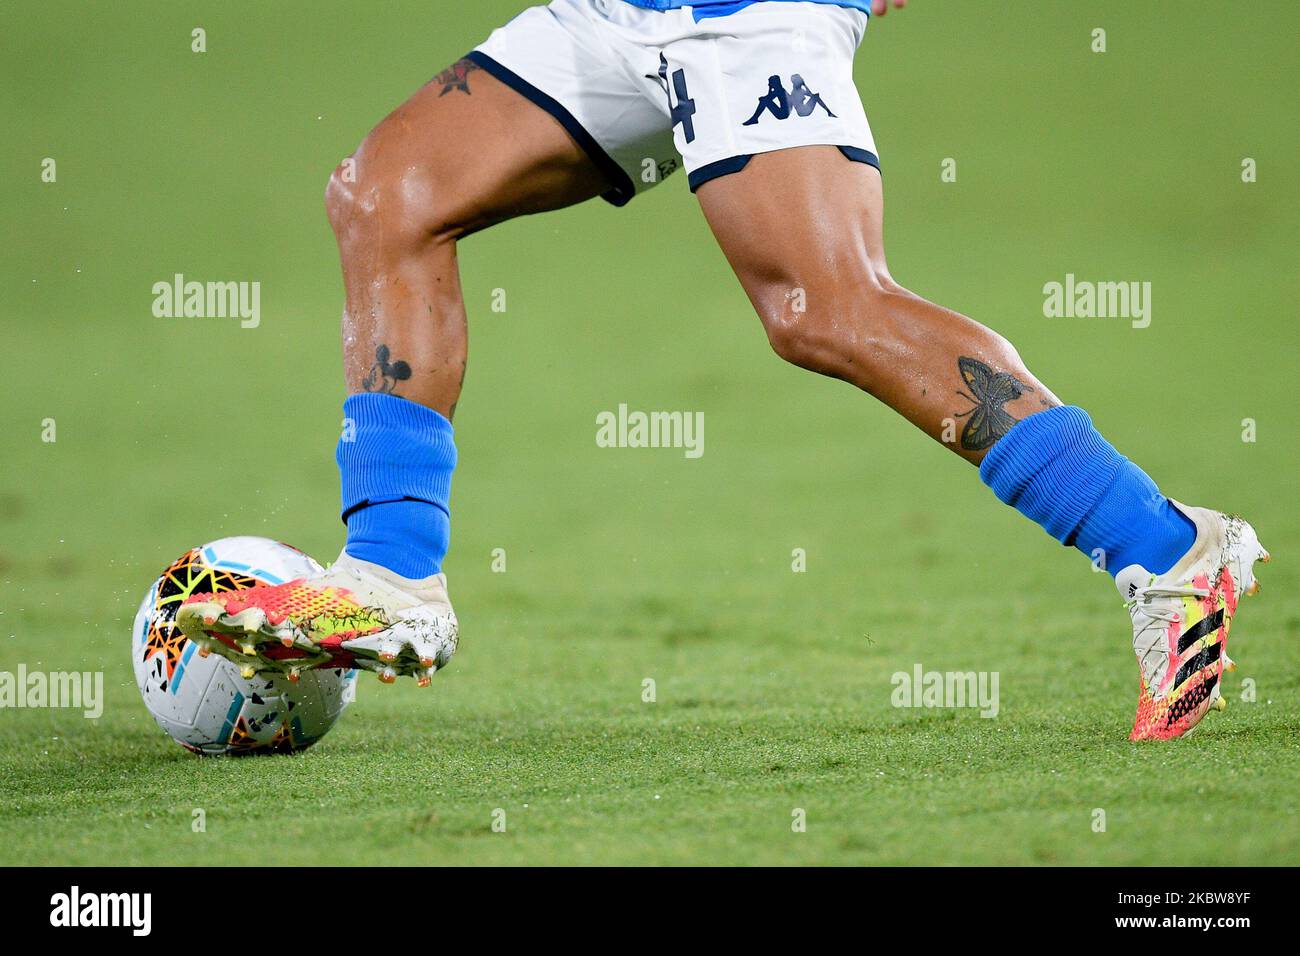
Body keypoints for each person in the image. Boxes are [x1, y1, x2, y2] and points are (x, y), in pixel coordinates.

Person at [178, 0, 1268, 740]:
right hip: (611, 14)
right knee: (386, 195)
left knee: (821, 307)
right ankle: (390, 576)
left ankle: (1169, 548)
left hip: (742, 11)